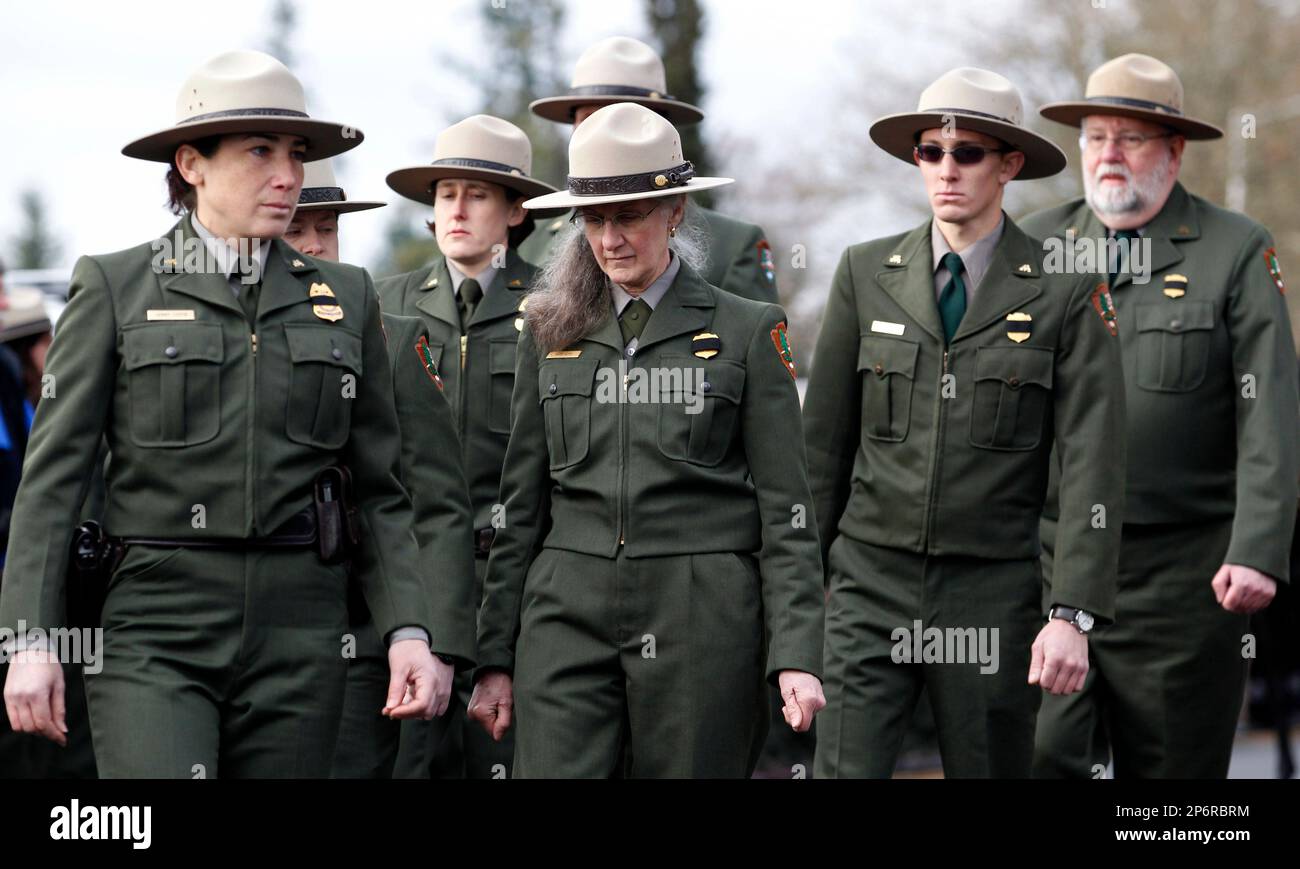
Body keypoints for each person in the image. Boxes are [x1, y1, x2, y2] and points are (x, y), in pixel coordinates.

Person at [0, 50, 442, 778]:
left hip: (302, 633)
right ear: (191, 164)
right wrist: (30, 639)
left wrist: (409, 630)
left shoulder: (347, 296)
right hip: (153, 630)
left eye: (297, 154)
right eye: (260, 151)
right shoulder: (116, 285)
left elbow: (380, 490)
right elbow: (53, 478)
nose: (289, 175)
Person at [467, 102, 825, 777]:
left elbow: (788, 511)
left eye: (628, 215)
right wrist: (493, 656)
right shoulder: (549, 331)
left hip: (701, 612)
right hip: (564, 608)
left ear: (676, 212)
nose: (610, 240)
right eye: (594, 219)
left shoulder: (748, 329)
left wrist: (798, 650)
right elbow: (519, 505)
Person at [803, 68, 1126, 778]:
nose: (946, 170)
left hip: (992, 592)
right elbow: (821, 452)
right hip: (867, 584)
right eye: (930, 152)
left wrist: (1072, 613)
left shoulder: (1067, 290)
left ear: (1009, 164)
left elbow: (1091, 465)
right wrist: (795, 601)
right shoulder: (864, 273)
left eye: (968, 153)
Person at [1023, 54, 1300, 778]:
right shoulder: (1034, 247)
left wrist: (1259, 547)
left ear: (1174, 152)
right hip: (1053, 568)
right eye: (1095, 136)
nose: (1107, 154)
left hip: (1186, 578)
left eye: (1131, 137)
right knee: (1042, 753)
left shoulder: (1234, 249)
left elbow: (1270, 408)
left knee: (1174, 782)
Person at [376, 114, 560, 778]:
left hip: (522, 584)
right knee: (412, 761)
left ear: (516, 209)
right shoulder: (383, 305)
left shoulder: (557, 308)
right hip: (414, 584)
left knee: (506, 759)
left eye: (477, 194)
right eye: (445, 191)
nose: (455, 208)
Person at [285, 159, 479, 779]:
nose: (315, 245)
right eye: (296, 230)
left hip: (361, 635)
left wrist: (439, 641)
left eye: (327, 229)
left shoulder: (390, 340)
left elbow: (439, 503)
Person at [523, 36, 780, 304]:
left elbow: (749, 335)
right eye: (589, 120)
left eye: (624, 116)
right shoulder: (532, 241)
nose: (602, 130)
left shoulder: (732, 245)